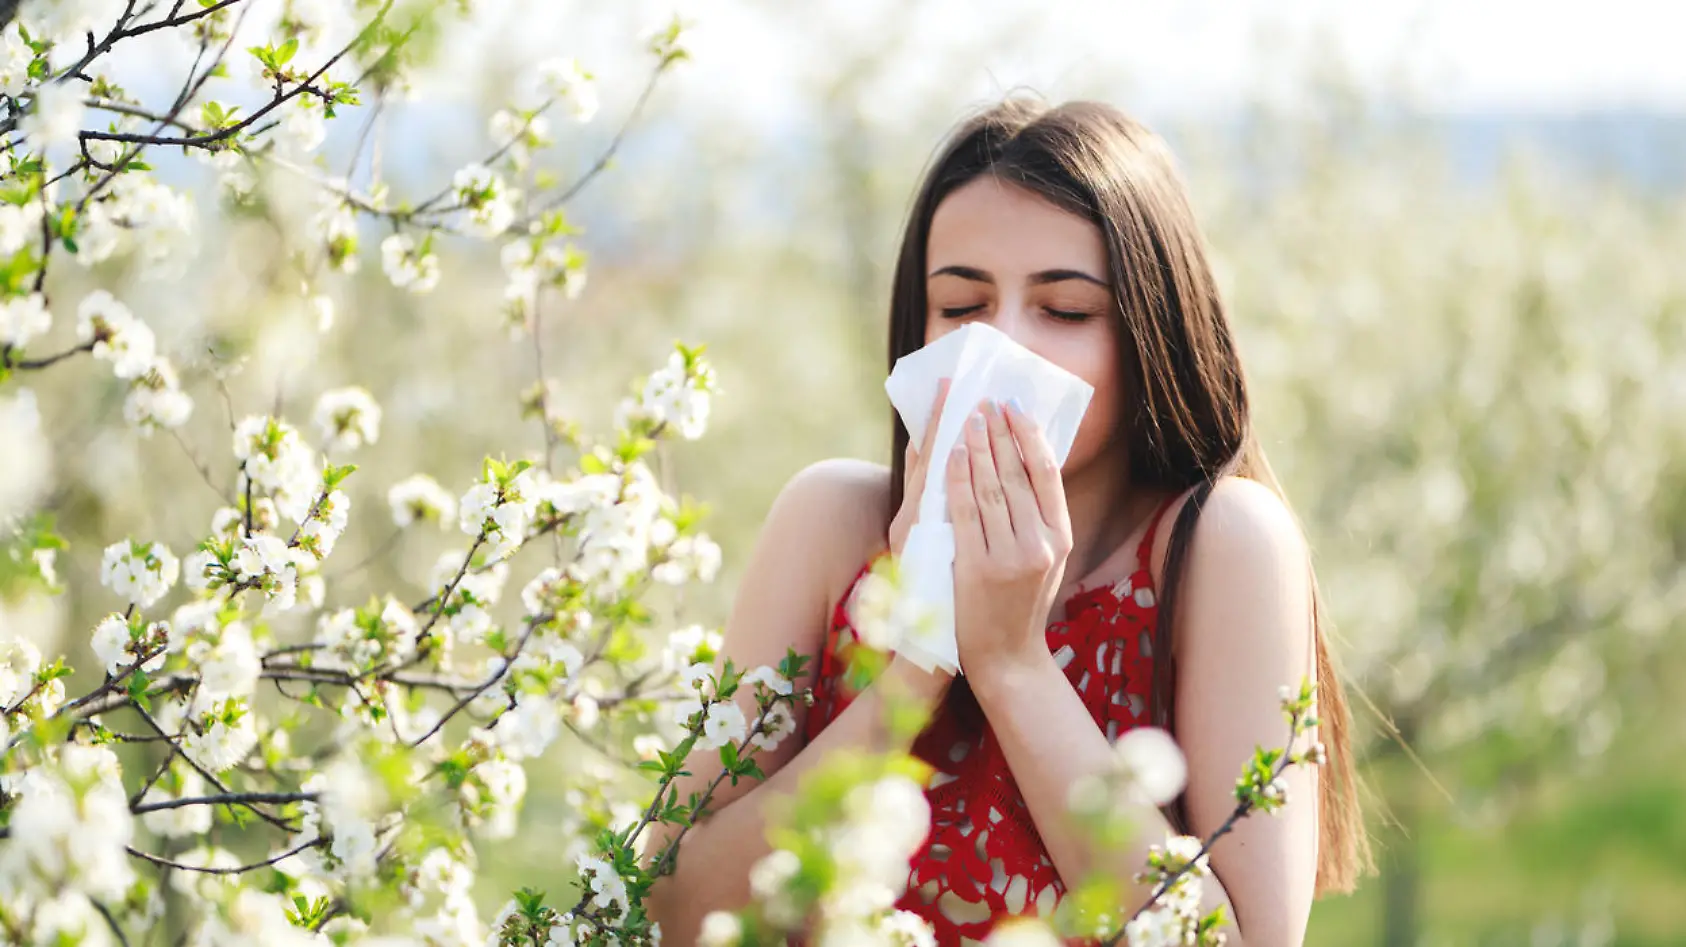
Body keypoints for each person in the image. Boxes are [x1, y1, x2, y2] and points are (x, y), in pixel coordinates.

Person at [646, 96, 1369, 946]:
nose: (1003, 346)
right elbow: (674, 909)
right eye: (960, 306)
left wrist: (1012, 662)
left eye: (1064, 310)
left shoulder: (1224, 546)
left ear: (1150, 331)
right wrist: (918, 658)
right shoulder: (829, 522)